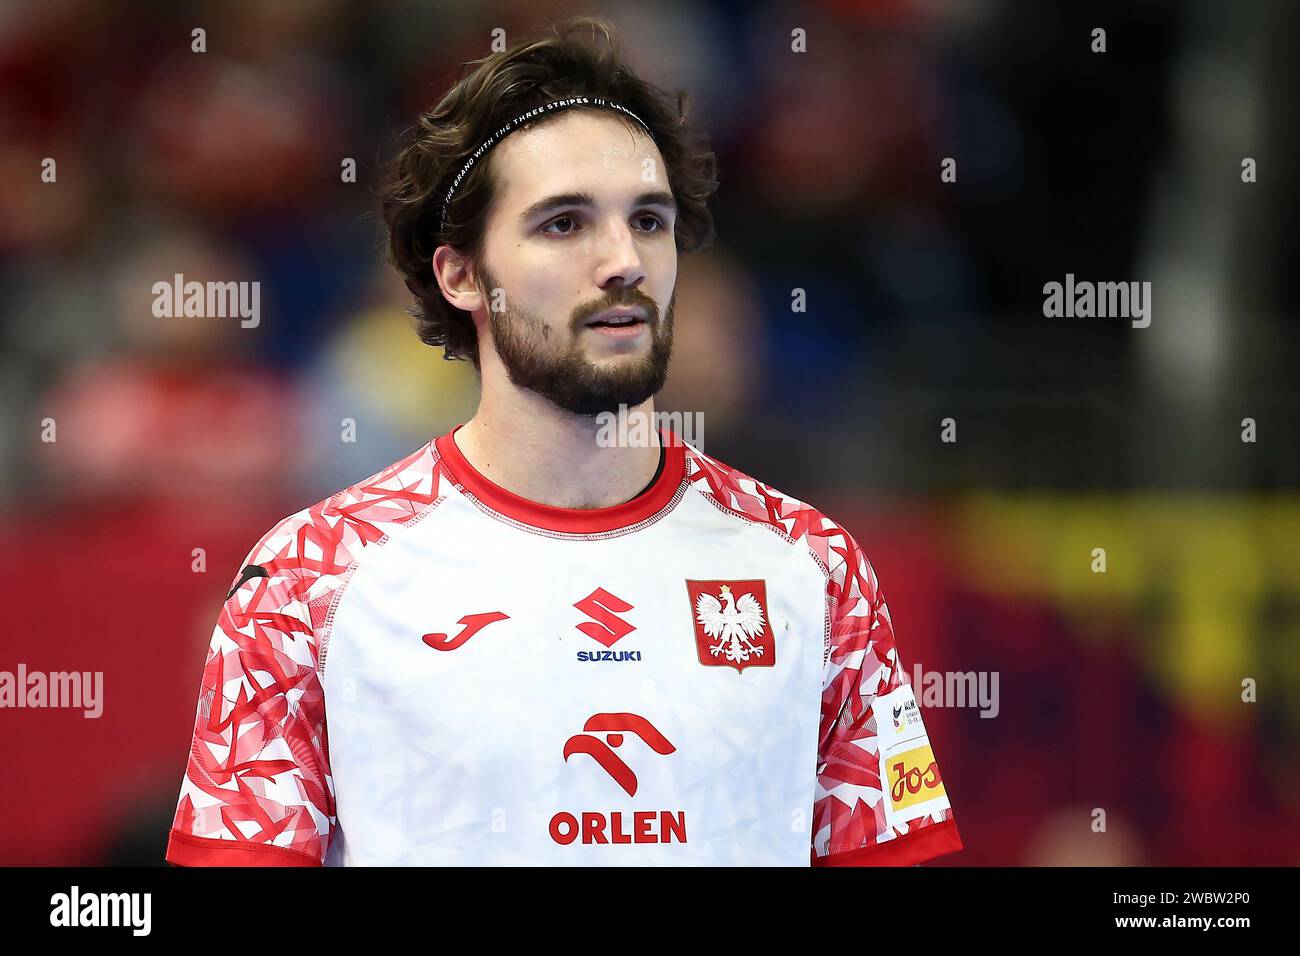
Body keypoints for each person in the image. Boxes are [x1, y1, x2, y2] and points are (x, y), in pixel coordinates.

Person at [164, 17, 962, 866]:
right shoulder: (308, 580)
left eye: (649, 221)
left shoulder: (815, 569)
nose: (623, 260)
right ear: (462, 274)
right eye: (564, 224)